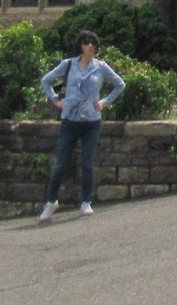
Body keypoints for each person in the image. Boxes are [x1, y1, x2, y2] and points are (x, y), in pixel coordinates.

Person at [37, 30, 125, 223]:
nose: (91, 46)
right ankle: (51, 202)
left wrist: (104, 102)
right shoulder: (68, 65)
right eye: (87, 43)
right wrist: (55, 100)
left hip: (92, 122)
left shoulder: (100, 67)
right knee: (60, 164)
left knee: (87, 163)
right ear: (81, 46)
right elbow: (46, 80)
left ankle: (86, 201)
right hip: (70, 121)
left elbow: (120, 84)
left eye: (93, 43)